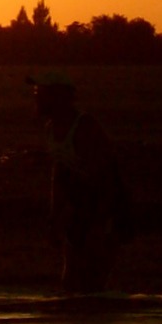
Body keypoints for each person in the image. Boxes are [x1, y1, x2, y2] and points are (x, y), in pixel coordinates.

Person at [27, 72, 131, 292]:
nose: (36, 98)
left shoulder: (85, 127)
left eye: (41, 93)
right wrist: (55, 215)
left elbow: (106, 176)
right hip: (81, 210)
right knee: (72, 279)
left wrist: (101, 222)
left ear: (59, 97)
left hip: (101, 210)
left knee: (91, 279)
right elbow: (60, 172)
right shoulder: (51, 129)